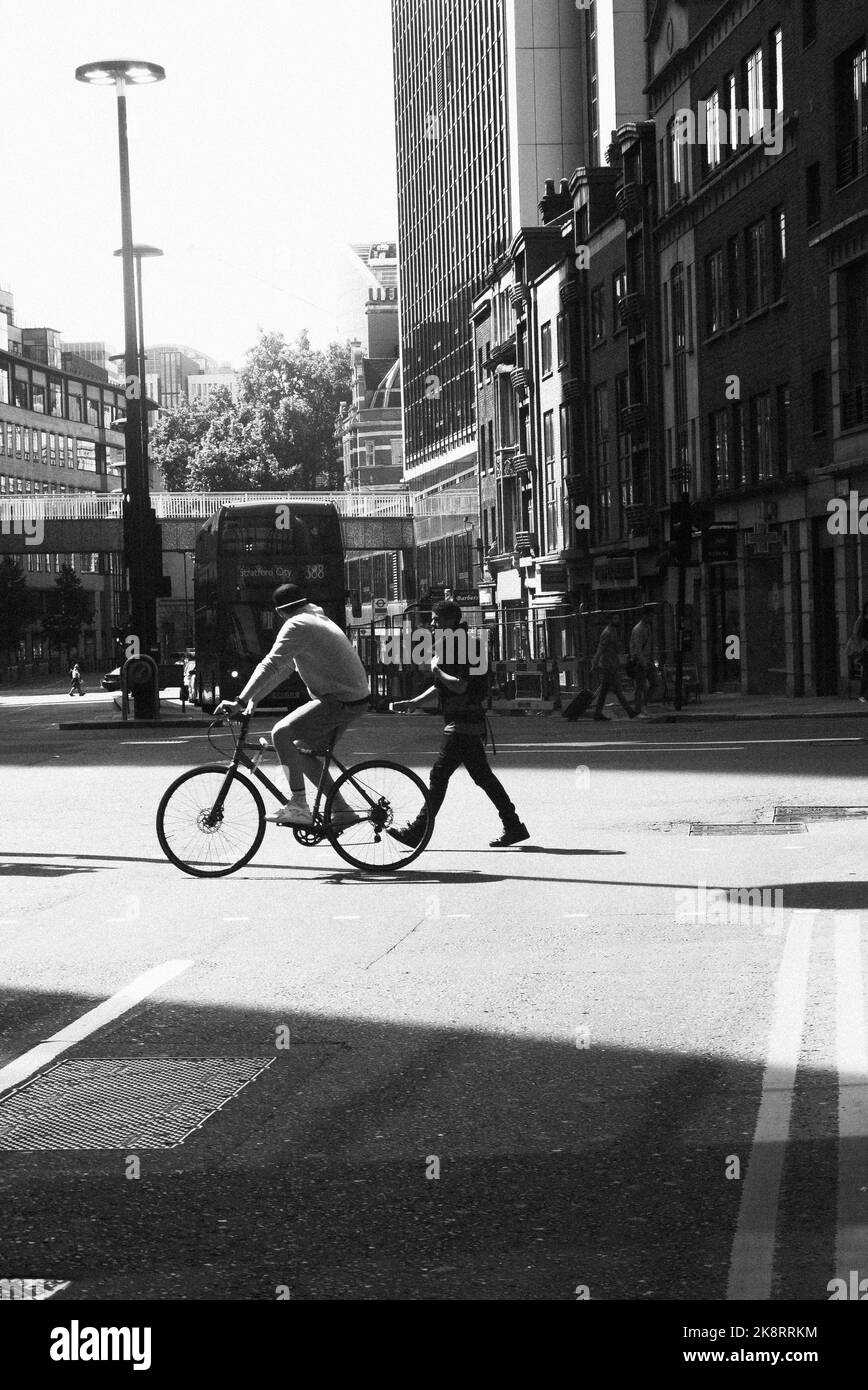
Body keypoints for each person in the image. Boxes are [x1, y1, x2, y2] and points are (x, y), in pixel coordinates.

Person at [215, 584, 370, 827]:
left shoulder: (298, 624)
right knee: (301, 750)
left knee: (281, 733)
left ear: (279, 612)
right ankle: (342, 810)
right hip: (351, 698)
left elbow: (271, 664)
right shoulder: (314, 619)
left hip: (339, 699)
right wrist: (254, 698)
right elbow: (286, 668)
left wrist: (240, 700)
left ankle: (299, 805)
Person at [390, 600, 529, 848]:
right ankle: (514, 825)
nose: (432, 624)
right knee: (483, 777)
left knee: (439, 775)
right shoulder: (458, 644)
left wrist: (436, 669)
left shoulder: (461, 646)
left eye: (436, 619)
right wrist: (412, 702)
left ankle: (417, 832)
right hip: (467, 722)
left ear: (451, 622)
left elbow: (459, 685)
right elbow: (442, 687)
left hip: (462, 724)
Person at [590, 615, 637, 722]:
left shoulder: (613, 631)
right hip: (609, 666)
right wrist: (595, 663)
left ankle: (598, 713)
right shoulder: (607, 633)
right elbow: (600, 650)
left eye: (617, 618)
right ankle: (630, 712)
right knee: (618, 690)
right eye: (614, 618)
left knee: (604, 691)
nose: (617, 620)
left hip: (612, 665)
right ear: (610, 620)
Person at [629, 606, 655, 718]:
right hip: (640, 661)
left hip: (648, 660)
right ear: (644, 615)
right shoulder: (638, 629)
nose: (651, 617)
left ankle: (643, 705)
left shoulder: (648, 627)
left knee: (655, 682)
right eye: (650, 615)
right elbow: (638, 648)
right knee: (640, 686)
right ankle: (638, 710)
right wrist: (643, 662)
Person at [846, 601, 868, 702]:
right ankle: (862, 694)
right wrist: (862, 647)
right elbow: (856, 635)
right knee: (866, 672)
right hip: (865, 649)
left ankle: (864, 694)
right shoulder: (861, 620)